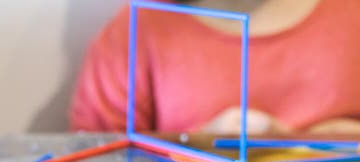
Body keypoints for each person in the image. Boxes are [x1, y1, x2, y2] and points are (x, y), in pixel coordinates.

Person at [70, 0, 360, 135]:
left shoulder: (350, 15)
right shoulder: (140, 26)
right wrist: (196, 145)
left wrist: (318, 143)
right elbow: (95, 160)